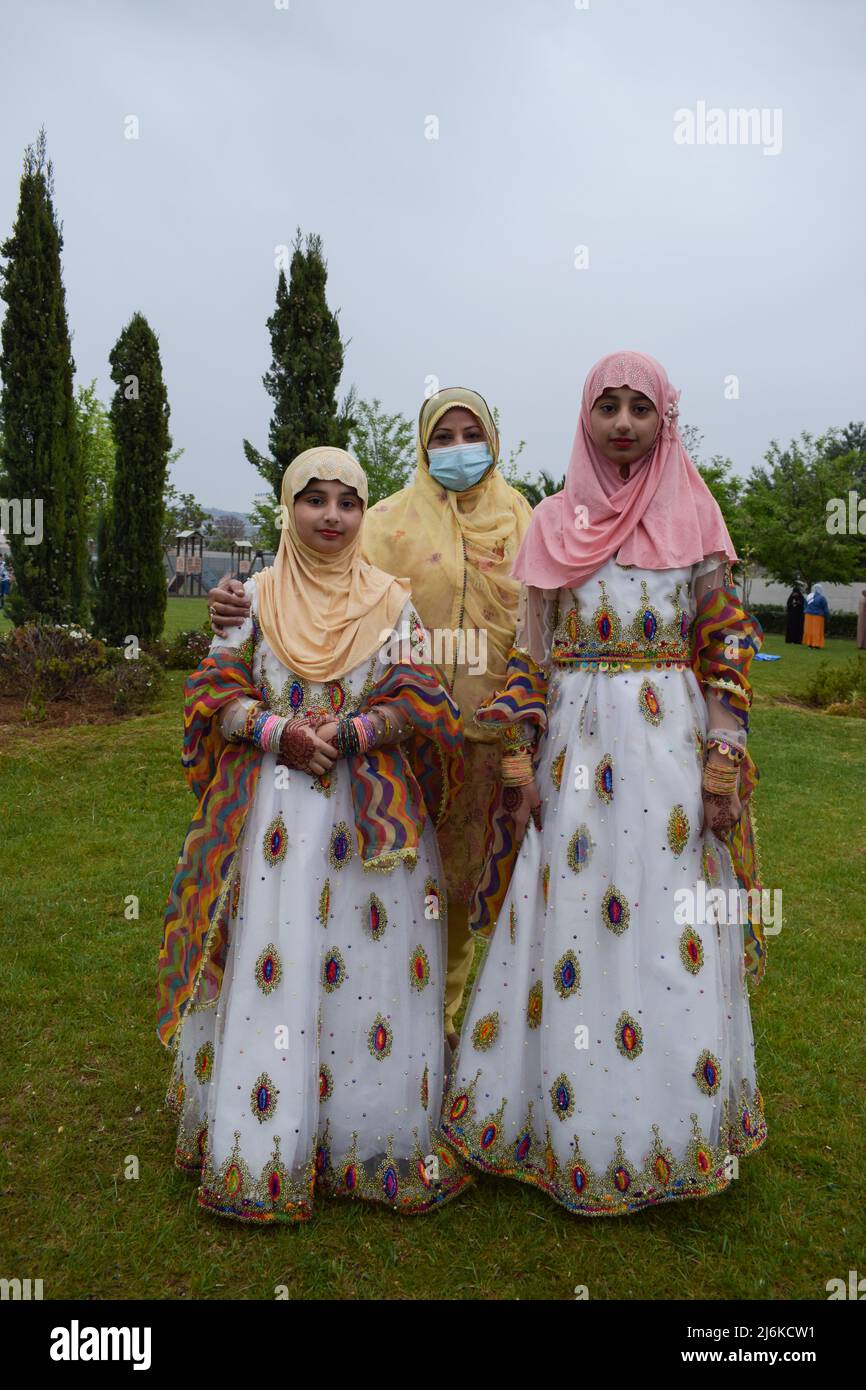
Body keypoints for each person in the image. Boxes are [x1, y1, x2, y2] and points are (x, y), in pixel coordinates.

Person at [440, 351, 768, 1217]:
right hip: (576, 759)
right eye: (607, 407)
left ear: (667, 419)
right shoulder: (553, 521)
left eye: (640, 409)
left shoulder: (697, 514)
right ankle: (567, 1124)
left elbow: (725, 641)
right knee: (574, 918)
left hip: (666, 747)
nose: (622, 424)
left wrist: (723, 750)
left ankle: (673, 1128)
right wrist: (518, 740)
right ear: (585, 416)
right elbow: (531, 655)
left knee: (666, 923)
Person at [158, 446, 471, 1224]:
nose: (331, 517)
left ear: (365, 512)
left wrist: (361, 730)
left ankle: (364, 1139)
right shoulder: (253, 598)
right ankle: (265, 1146)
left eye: (347, 502)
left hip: (372, 830)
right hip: (276, 822)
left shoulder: (393, 603)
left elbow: (425, 702)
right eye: (313, 499)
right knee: (278, 962)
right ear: (287, 508)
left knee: (368, 970)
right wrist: (275, 730)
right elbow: (213, 692)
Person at [208, 388, 533, 1057]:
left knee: (468, 882)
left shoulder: (521, 519)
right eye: (441, 438)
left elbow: (538, 628)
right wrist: (285, 725)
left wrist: (524, 728)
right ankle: (371, 1031)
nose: (457, 450)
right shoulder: (384, 524)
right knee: (399, 888)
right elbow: (234, 676)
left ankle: (448, 1022)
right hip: (383, 762)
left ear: (495, 442)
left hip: (485, 733)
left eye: (472, 435)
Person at [803, 583, 830, 648]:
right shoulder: (822, 598)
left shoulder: (809, 596)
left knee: (809, 630)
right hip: (818, 617)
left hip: (808, 615)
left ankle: (809, 643)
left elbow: (805, 605)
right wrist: (828, 617)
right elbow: (825, 609)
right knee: (817, 630)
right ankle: (816, 644)